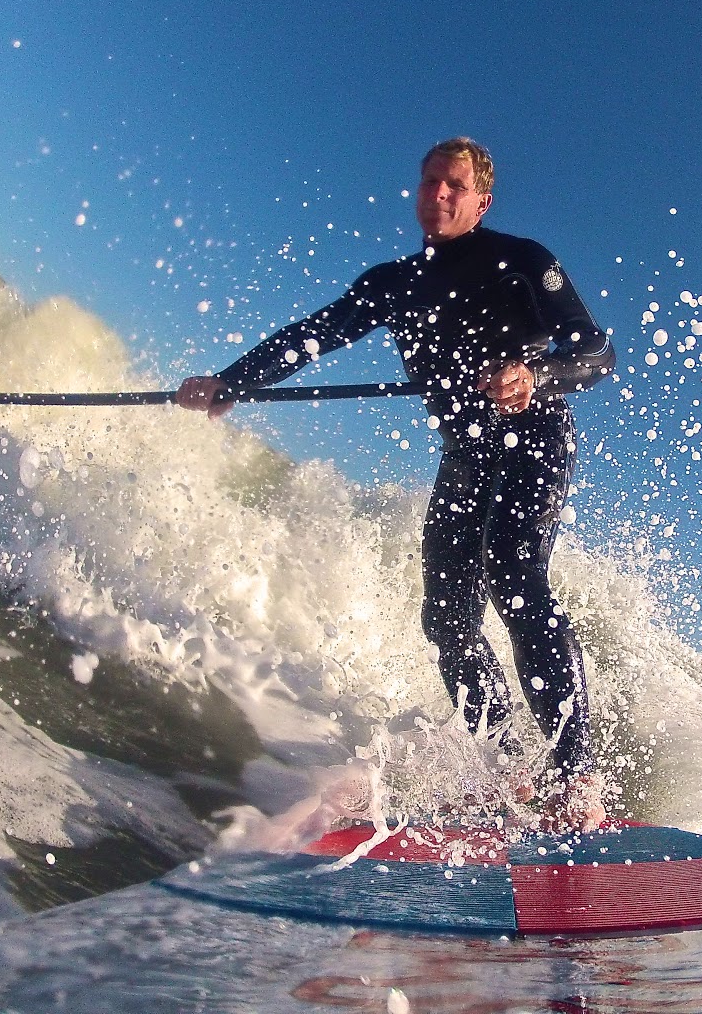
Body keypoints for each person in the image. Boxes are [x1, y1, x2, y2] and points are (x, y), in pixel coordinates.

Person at [177, 138, 615, 829]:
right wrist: (233, 380)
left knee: (512, 571)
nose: (438, 195)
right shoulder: (392, 283)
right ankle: (500, 766)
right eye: (430, 182)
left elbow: (595, 351)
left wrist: (536, 376)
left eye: (455, 186)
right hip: (465, 455)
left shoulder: (523, 261)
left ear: (481, 201)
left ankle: (573, 776)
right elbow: (313, 334)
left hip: (533, 436)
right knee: (445, 617)